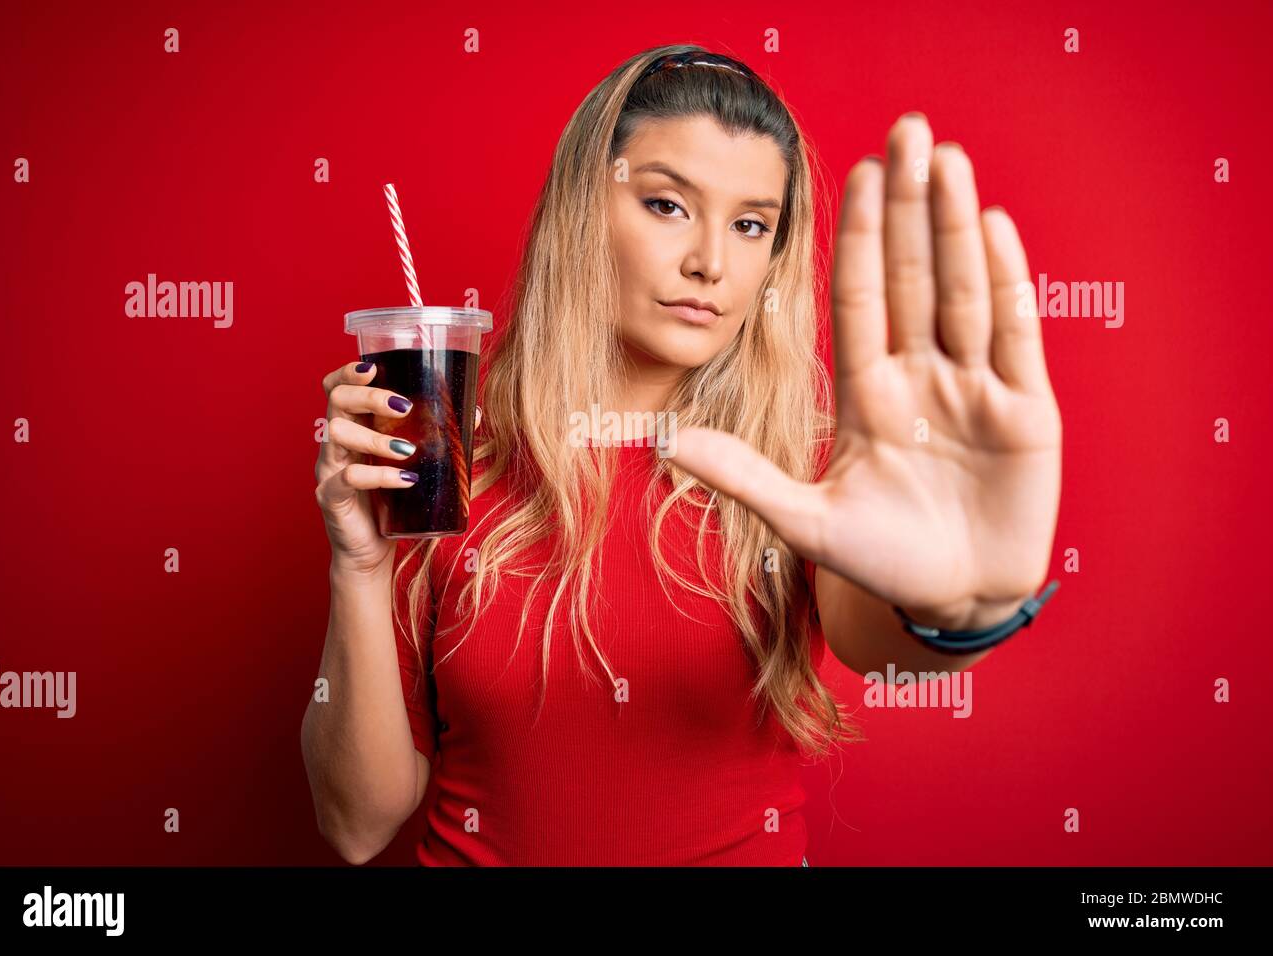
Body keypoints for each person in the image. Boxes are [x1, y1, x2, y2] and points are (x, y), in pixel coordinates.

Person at [301, 43, 1062, 866]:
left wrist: (963, 610)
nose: (710, 262)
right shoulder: (442, 467)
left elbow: (877, 632)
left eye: (749, 224)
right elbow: (356, 824)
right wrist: (360, 565)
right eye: (667, 205)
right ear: (583, 211)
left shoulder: (799, 479)